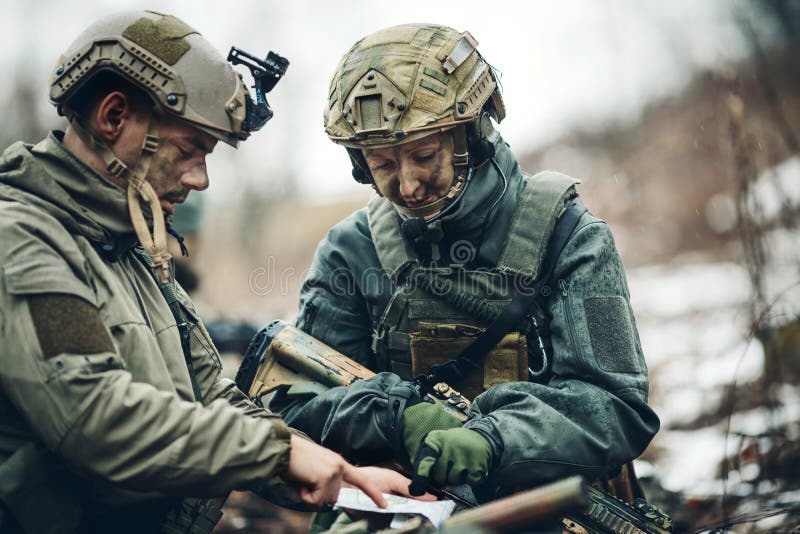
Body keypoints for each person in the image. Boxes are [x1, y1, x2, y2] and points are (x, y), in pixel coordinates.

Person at [0, 12, 418, 533]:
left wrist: (340, 474)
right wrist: (276, 455)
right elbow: (96, 418)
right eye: (190, 149)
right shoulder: (22, 239)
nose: (200, 179)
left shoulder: (132, 249)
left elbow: (209, 394)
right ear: (113, 118)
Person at [271, 23, 661, 504]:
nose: (408, 186)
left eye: (423, 156)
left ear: (471, 136)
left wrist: (497, 438)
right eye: (383, 165)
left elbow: (617, 408)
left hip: (554, 509)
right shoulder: (350, 253)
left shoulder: (569, 237)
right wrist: (397, 419)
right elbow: (295, 402)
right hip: (401, 507)